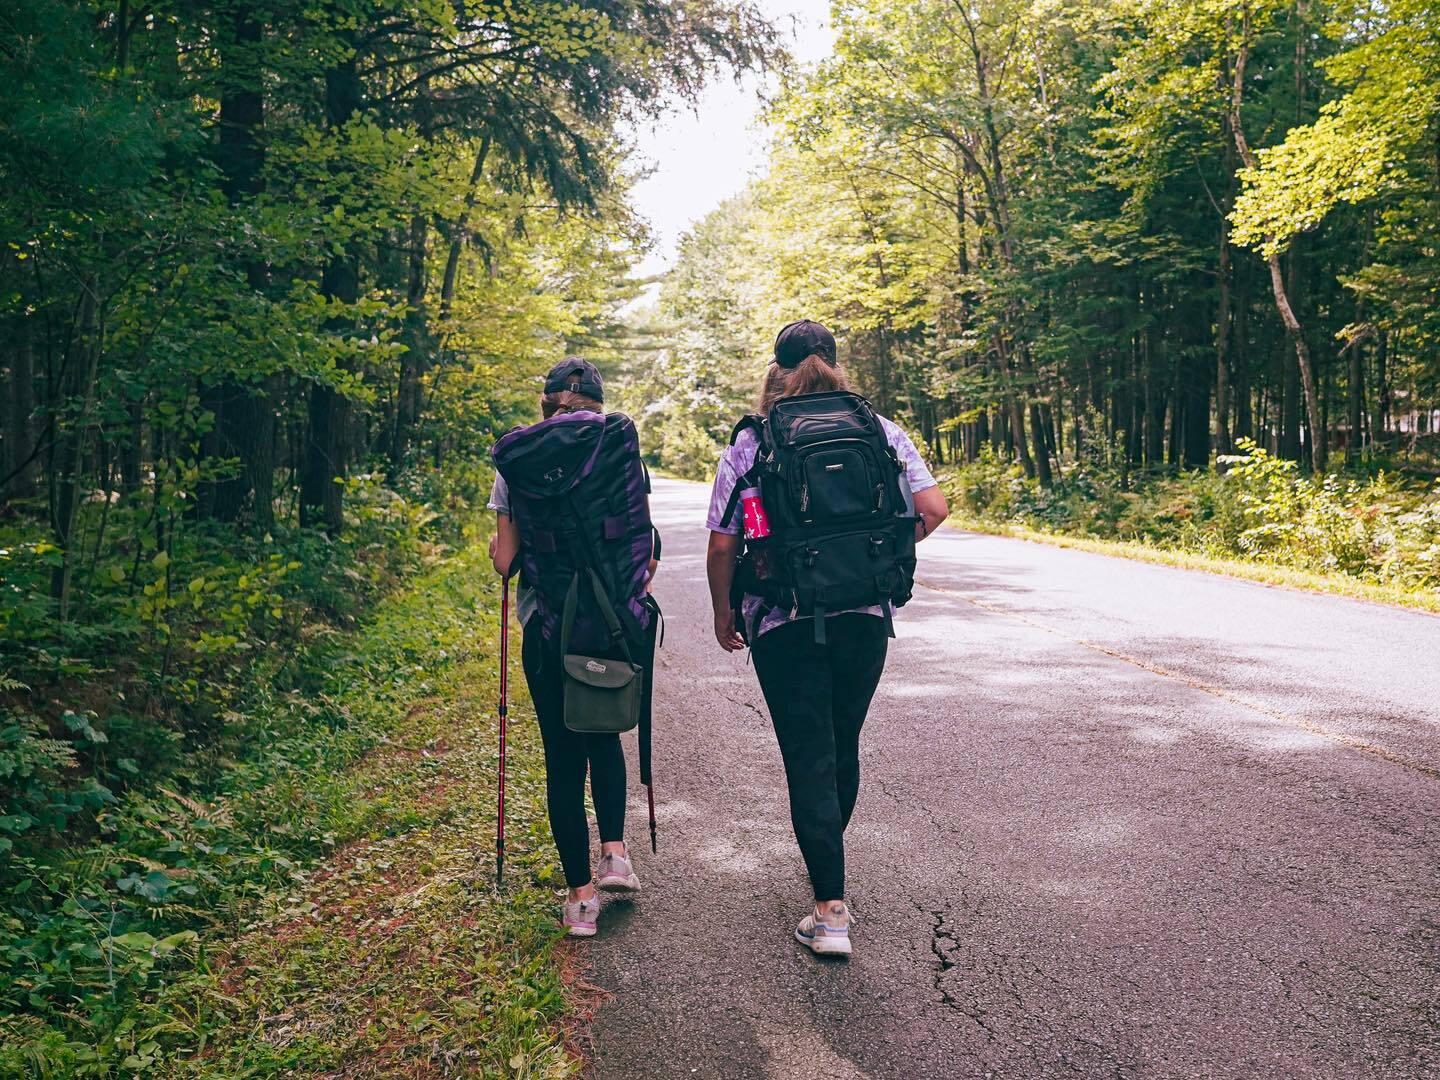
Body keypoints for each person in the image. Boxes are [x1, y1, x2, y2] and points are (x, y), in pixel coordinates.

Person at [704, 320, 948, 958]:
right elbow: (933, 509)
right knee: (842, 741)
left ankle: (829, 908)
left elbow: (726, 541)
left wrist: (724, 611)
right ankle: (827, 860)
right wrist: (876, 558)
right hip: (865, 616)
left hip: (784, 617)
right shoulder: (880, 429)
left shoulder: (753, 443)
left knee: (807, 751)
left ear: (775, 374)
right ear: (836, 368)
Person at [489, 358, 659, 937]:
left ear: (546, 403)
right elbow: (645, 551)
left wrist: (503, 546)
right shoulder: (618, 451)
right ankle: (615, 853)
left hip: (547, 628)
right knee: (604, 736)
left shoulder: (519, 460)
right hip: (609, 627)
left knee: (563, 759)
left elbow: (508, 560)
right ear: (596, 403)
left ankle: (580, 900)